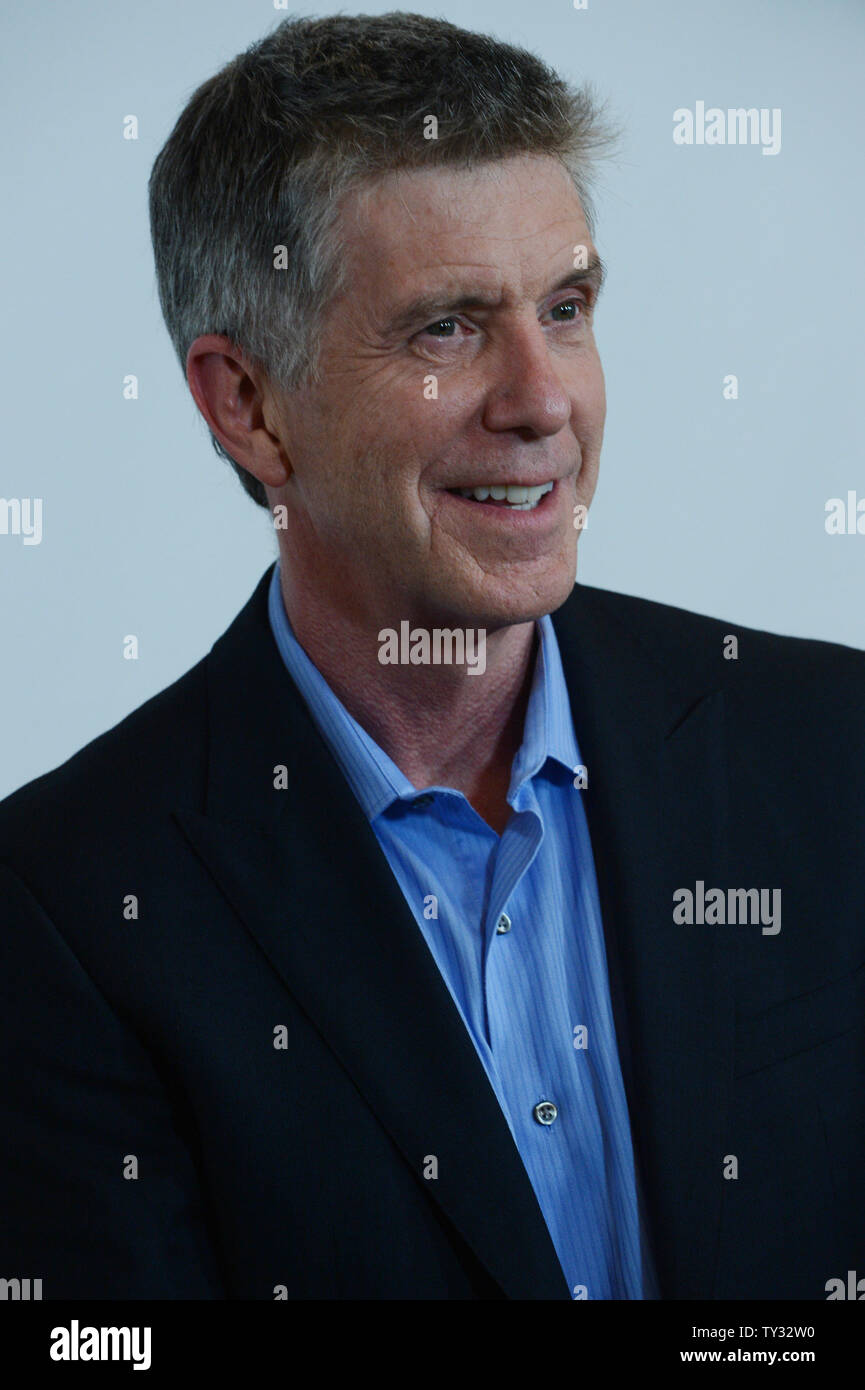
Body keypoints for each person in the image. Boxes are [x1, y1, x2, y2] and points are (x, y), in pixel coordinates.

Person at [1, 12, 862, 1302]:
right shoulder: (63, 909)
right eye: (447, 330)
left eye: (565, 309)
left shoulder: (832, 747)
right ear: (249, 404)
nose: (543, 400)